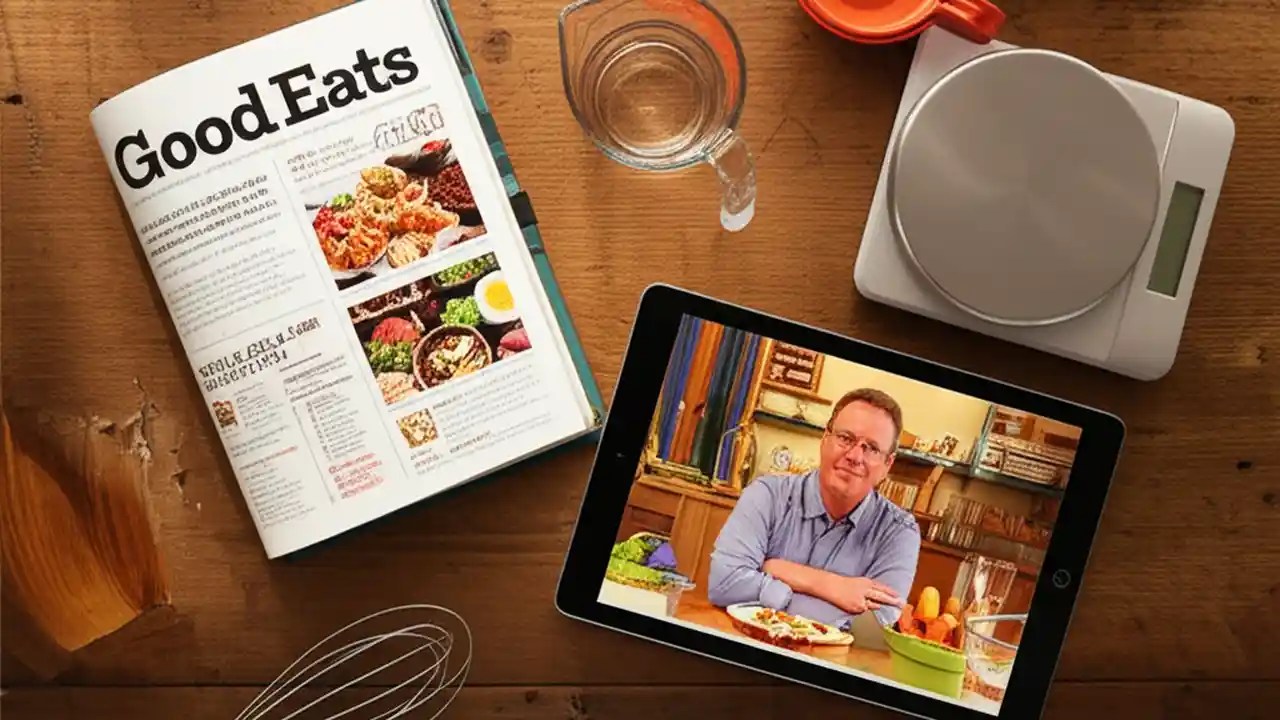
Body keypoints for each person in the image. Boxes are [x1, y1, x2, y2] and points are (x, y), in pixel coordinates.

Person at [707, 388, 921, 629]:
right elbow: (724, 584)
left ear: (887, 464)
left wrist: (776, 570)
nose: (854, 456)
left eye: (871, 448)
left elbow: (872, 628)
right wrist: (830, 587)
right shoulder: (767, 495)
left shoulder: (899, 532)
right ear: (824, 439)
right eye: (846, 438)